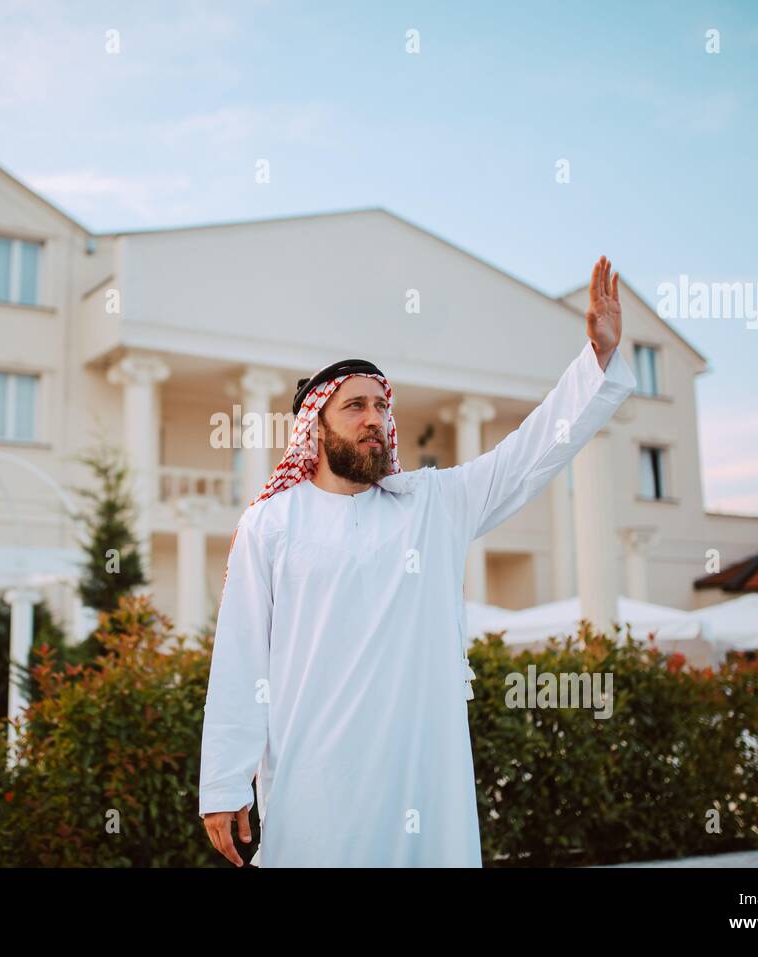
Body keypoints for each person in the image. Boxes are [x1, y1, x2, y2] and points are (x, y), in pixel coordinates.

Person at [200, 256, 637, 866]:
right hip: (314, 777)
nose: (375, 418)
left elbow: (531, 452)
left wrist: (596, 360)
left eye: (382, 406)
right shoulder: (271, 523)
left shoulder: (432, 505)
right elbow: (241, 656)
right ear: (314, 425)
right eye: (355, 406)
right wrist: (224, 783)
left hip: (420, 777)